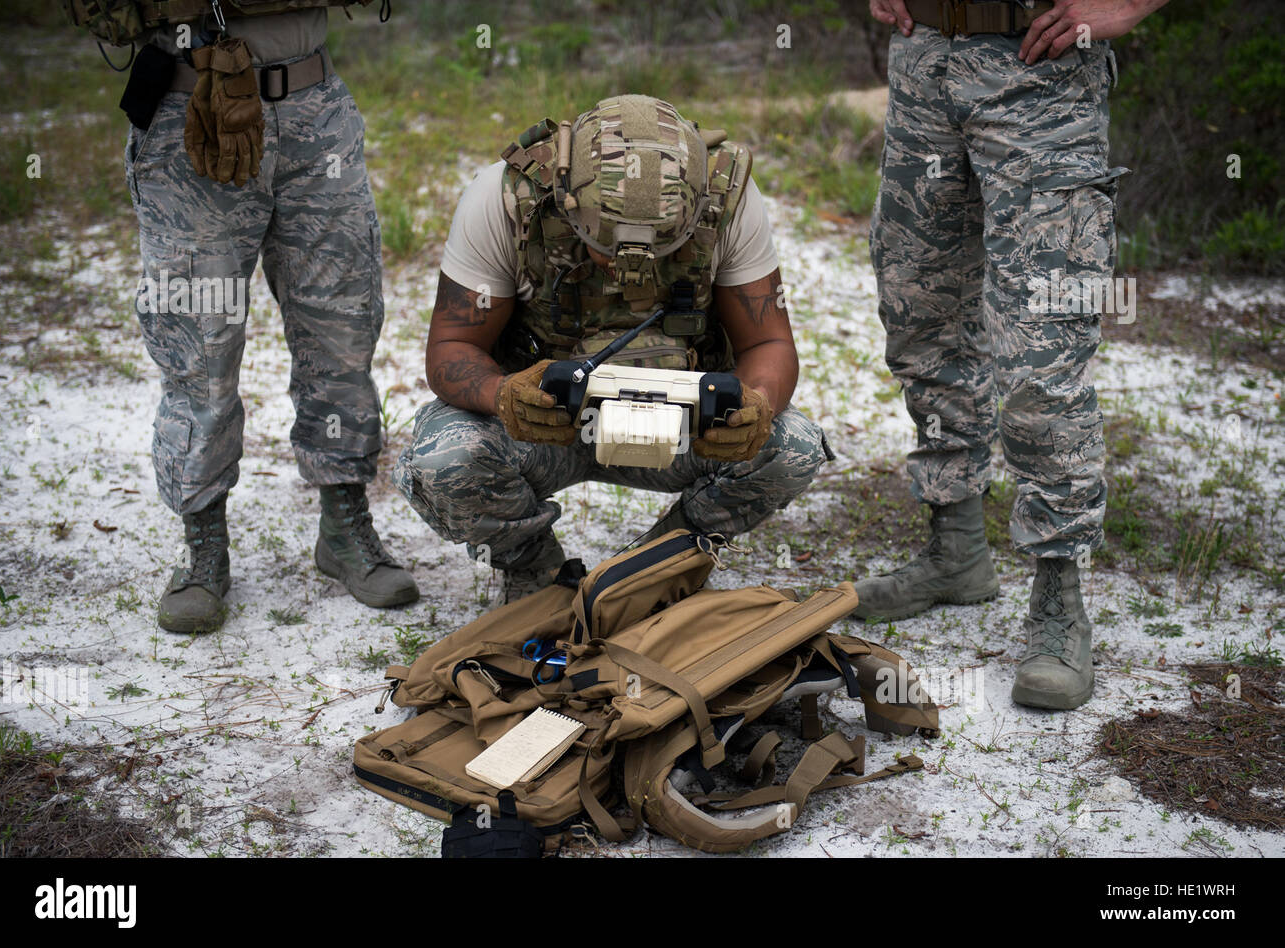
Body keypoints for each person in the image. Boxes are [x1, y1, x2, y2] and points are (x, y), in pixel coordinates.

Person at [393, 94, 833, 603]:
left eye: (660, 246)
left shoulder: (725, 195)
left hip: (683, 422)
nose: (627, 266)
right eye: (603, 245)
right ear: (565, 197)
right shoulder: (506, 196)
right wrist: (503, 394)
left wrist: (755, 405)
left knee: (791, 445)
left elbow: (769, 341)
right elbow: (450, 347)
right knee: (446, 457)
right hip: (545, 423)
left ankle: (665, 562)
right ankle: (536, 573)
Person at [69, 1, 419, 632]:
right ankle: (204, 547)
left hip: (314, 110)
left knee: (340, 322)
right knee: (199, 343)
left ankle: (345, 525)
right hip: (191, 108)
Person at [860, 0, 1169, 709]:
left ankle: (1059, 599)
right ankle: (956, 548)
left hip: (1041, 71)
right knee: (920, 311)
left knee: (1043, 349)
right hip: (925, 60)